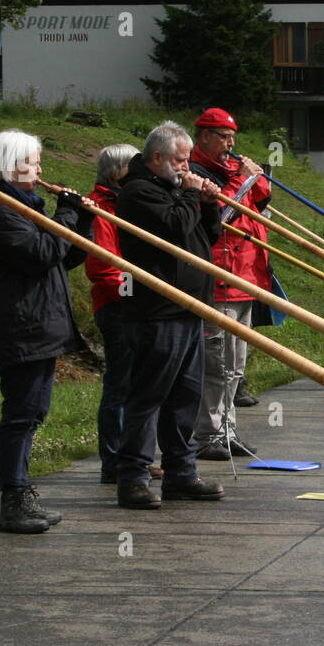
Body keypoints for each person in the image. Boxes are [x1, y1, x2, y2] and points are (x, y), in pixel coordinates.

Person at [0, 130, 95, 533]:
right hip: (20, 324)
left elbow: (64, 257)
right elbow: (41, 255)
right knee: (21, 414)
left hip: (40, 323)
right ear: (6, 166)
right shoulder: (0, 212)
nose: (39, 170)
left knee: (33, 412)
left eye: (38, 162)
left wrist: (82, 218)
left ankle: (21, 494)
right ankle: (13, 500)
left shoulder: (26, 206)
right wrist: (66, 214)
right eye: (29, 163)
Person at [113, 121, 226, 508]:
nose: (185, 168)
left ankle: (181, 473)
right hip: (155, 311)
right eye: (179, 161)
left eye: (187, 161)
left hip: (188, 308)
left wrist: (208, 205)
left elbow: (204, 237)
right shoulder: (138, 191)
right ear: (157, 157)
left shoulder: (173, 190)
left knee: (184, 398)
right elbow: (176, 227)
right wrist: (193, 196)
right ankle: (132, 477)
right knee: (148, 397)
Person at [188, 107, 271, 461]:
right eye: (223, 137)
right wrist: (243, 179)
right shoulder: (195, 172)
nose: (231, 144)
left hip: (246, 279)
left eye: (232, 137)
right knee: (215, 365)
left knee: (236, 366)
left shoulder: (229, 170)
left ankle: (227, 430)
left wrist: (256, 178)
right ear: (204, 136)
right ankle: (207, 432)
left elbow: (261, 203)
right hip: (219, 279)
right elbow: (221, 215)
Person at [85, 144, 162, 484]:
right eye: (135, 166)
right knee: (120, 386)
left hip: (141, 305)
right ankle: (114, 460)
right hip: (118, 306)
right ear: (118, 173)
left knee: (141, 386)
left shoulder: (132, 200)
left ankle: (138, 456)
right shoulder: (101, 207)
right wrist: (137, 294)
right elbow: (104, 266)